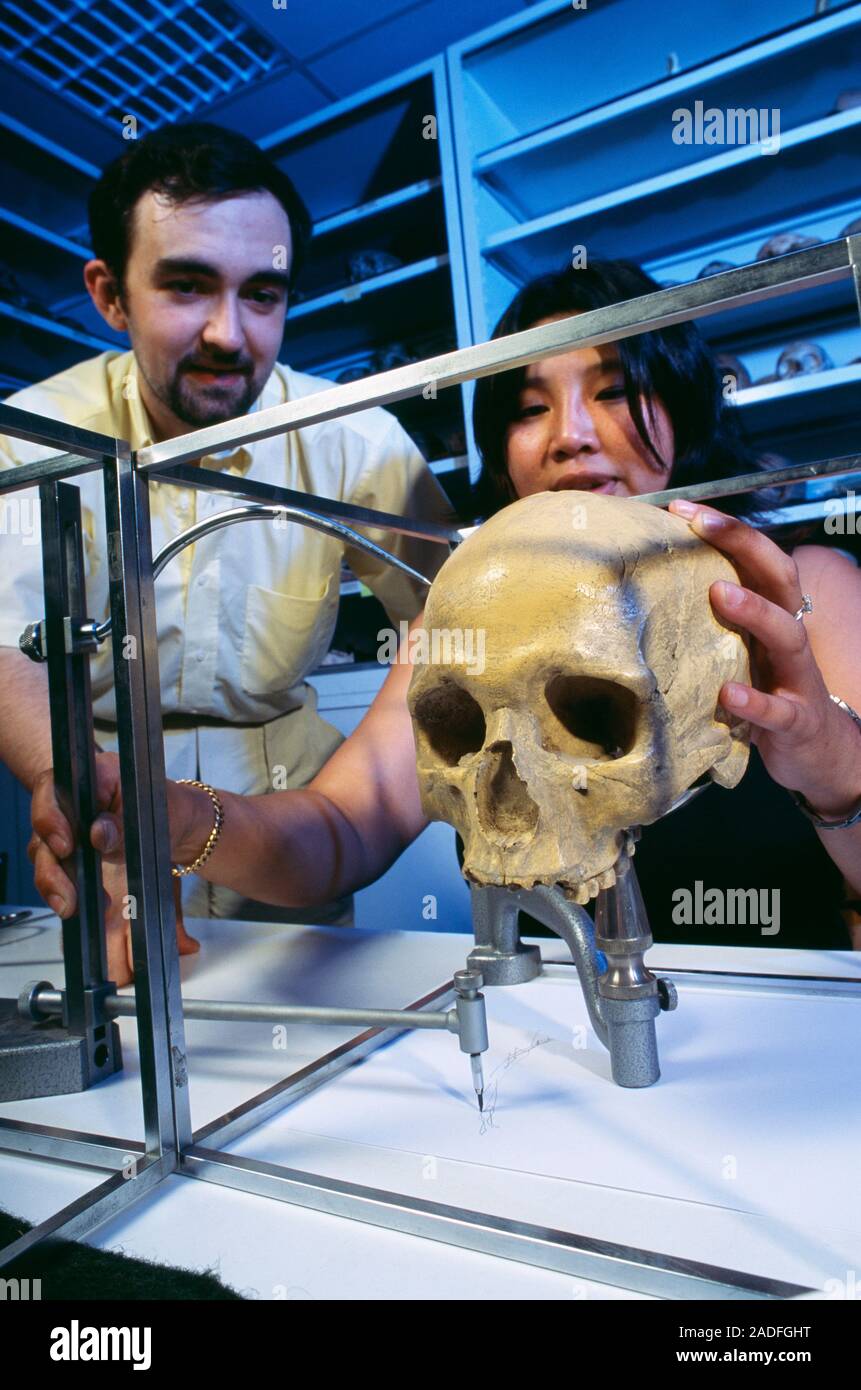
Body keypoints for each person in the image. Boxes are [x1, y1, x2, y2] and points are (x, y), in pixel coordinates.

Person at [29, 261, 861, 957]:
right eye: (529, 408)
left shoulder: (803, 594)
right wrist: (184, 820)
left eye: (613, 391)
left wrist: (836, 776)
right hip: (551, 1040)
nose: (566, 436)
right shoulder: (462, 635)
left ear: (682, 408)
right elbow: (336, 834)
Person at [0, 123, 455, 985]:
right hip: (93, 811)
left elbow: (458, 619)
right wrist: (84, 797)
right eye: (186, 285)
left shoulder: (358, 442)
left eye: (263, 295)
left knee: (302, 1060)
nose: (228, 333)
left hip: (285, 831)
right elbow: (0, 644)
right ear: (109, 294)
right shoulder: (32, 439)